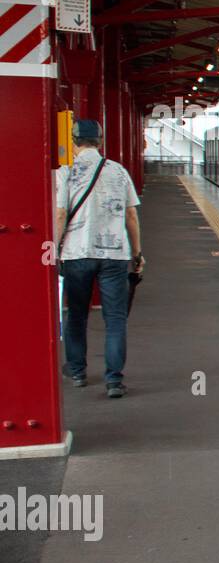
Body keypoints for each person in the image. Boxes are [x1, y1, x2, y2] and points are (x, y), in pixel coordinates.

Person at [54, 119, 145, 398]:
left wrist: (52, 250)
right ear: (100, 141)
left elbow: (59, 215)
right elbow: (131, 215)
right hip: (115, 255)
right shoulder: (118, 171)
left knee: (76, 315)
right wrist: (137, 253)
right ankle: (114, 380)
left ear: (73, 142)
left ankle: (78, 372)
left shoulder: (66, 173)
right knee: (115, 318)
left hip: (76, 253)